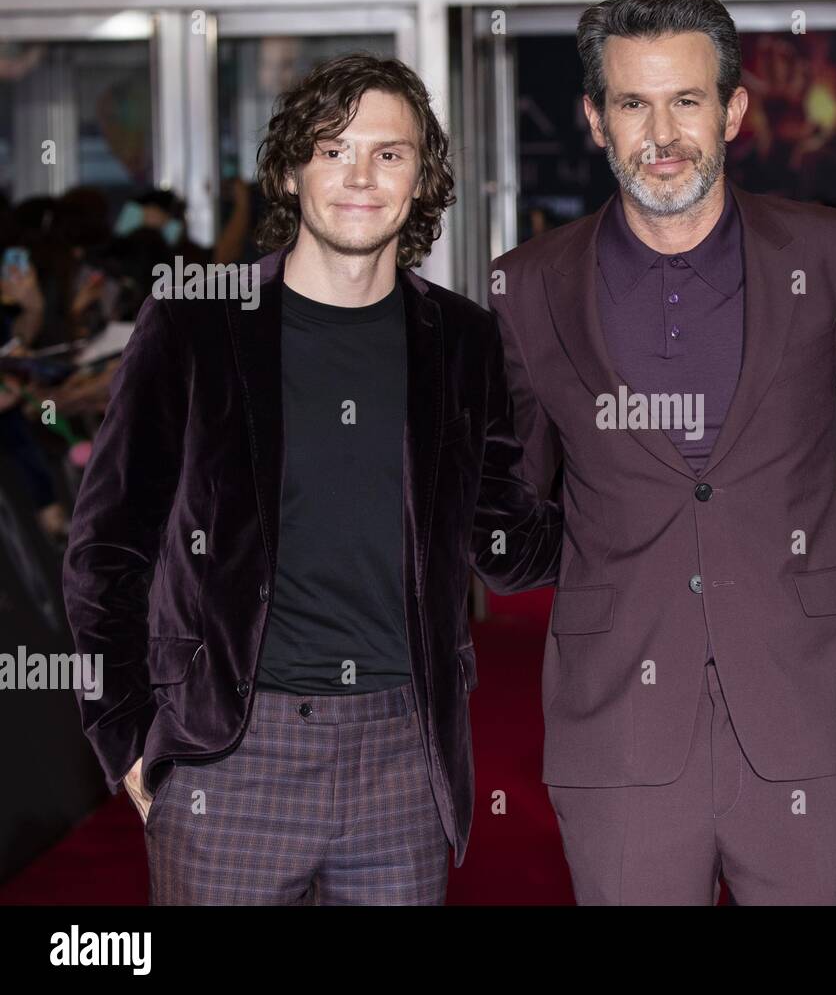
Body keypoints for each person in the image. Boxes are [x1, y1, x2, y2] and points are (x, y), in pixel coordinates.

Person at [63, 54, 562, 905]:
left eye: (389, 153)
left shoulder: (462, 338)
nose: (359, 176)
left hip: (401, 758)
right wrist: (126, 733)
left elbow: (504, 544)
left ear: (422, 179)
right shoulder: (195, 321)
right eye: (332, 151)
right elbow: (105, 546)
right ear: (292, 172)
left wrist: (639, 475)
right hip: (232, 752)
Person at [489, 0, 836, 905]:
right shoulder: (529, 286)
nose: (661, 134)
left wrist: (824, 532)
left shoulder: (829, 257)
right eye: (633, 103)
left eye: (686, 101)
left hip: (808, 714)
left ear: (734, 110)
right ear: (596, 118)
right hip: (618, 724)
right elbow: (512, 485)